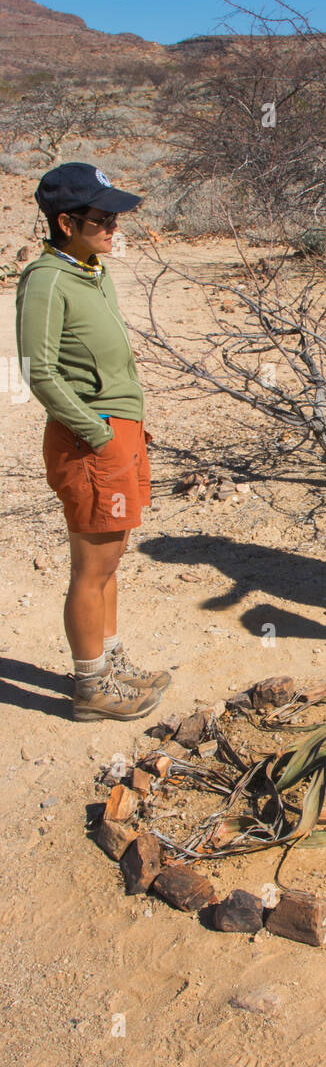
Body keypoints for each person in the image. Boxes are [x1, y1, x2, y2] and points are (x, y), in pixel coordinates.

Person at [16, 162, 170, 721]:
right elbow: (39, 371)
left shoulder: (91, 271)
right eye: (100, 218)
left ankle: (108, 661)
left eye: (113, 216)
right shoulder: (47, 279)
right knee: (91, 566)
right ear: (65, 222)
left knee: (110, 561)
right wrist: (97, 434)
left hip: (118, 432)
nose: (112, 226)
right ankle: (89, 688)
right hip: (91, 441)